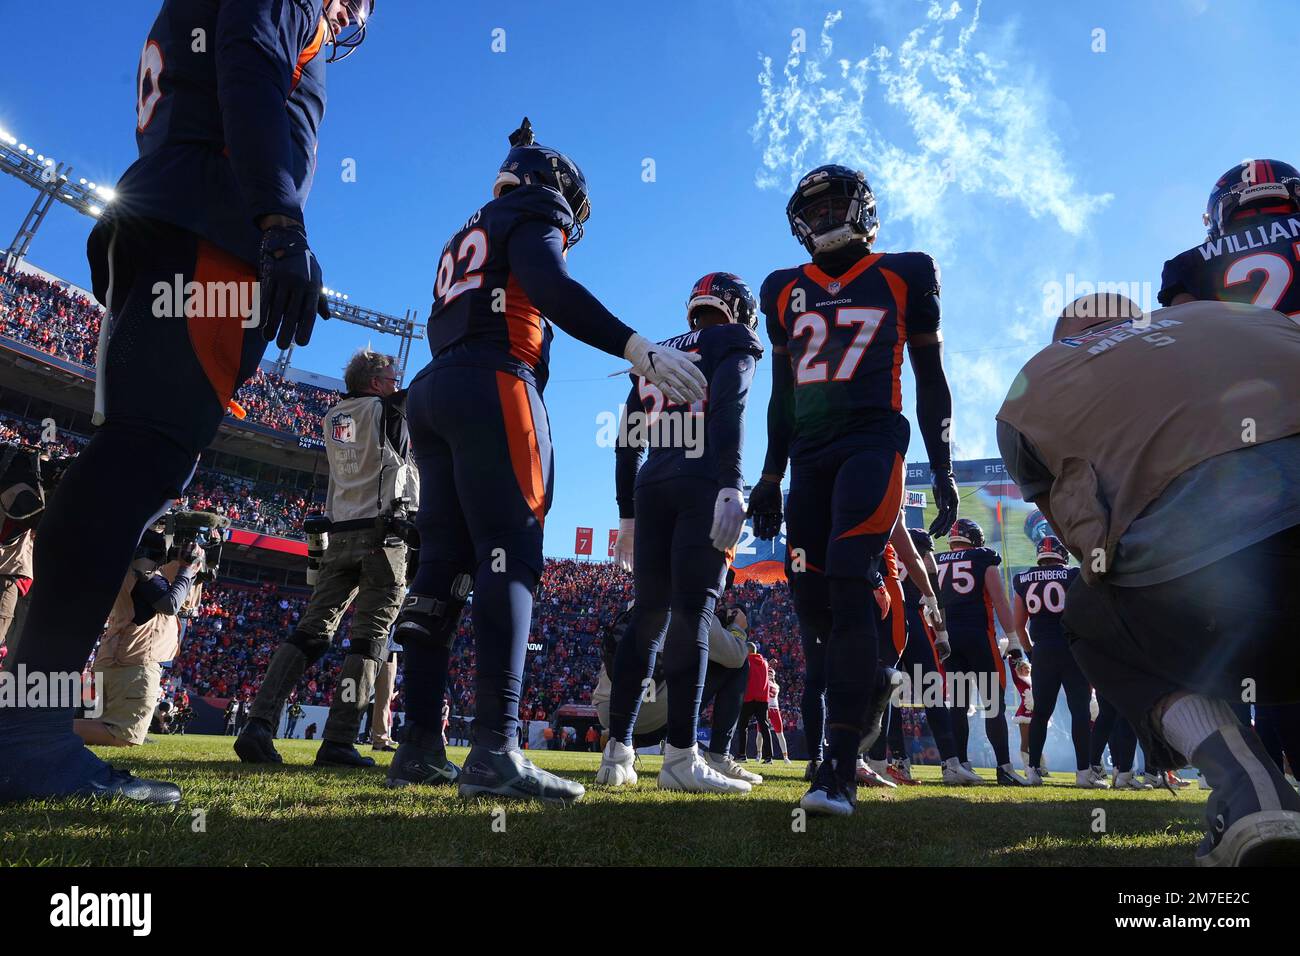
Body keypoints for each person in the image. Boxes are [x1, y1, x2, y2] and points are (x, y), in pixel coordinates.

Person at [0, 0, 374, 805]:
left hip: (169, 214)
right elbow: (250, 68)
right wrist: (278, 218)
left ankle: (24, 730)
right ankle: (26, 741)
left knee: (130, 464)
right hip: (207, 226)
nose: (350, 15)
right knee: (137, 462)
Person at [392, 118, 706, 804]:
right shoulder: (533, 209)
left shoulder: (463, 234)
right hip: (494, 381)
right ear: (554, 186)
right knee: (512, 553)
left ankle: (417, 744)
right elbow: (551, 286)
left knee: (441, 567)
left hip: (434, 389)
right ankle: (494, 749)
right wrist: (635, 346)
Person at [997, 291, 1300, 865]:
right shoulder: (1236, 316)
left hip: (1211, 587)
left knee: (1091, 609)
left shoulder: (1037, 385)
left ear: (1065, 342)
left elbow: (1088, 547)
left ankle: (1250, 791)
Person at [746, 164, 959, 816]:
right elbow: (781, 397)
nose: (822, 216)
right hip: (808, 457)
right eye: (812, 209)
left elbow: (931, 378)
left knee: (847, 572)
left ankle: (835, 767)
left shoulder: (905, 271)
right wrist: (769, 474)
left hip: (872, 441)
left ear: (864, 208)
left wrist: (943, 466)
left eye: (835, 202)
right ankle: (870, 681)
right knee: (812, 599)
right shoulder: (783, 288)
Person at [597, 272, 761, 793]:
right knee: (693, 613)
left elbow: (627, 440)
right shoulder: (731, 339)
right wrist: (732, 483)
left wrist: (626, 513)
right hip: (699, 481)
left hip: (652, 486)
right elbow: (729, 406)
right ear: (735, 307)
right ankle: (680, 758)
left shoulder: (658, 351)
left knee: (649, 617)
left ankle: (616, 753)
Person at [237, 348, 417, 770]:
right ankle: (338, 740)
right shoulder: (388, 409)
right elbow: (429, 391)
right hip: (384, 533)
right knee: (370, 639)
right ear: (375, 383)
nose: (396, 381)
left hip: (339, 535)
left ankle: (258, 724)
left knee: (310, 632)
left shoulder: (332, 416)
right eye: (391, 376)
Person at [592, 600, 757, 785]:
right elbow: (735, 655)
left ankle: (620, 747)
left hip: (609, 710)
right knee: (739, 663)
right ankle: (718, 757)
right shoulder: (694, 605)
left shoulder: (633, 607)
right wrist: (737, 629)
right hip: (655, 716)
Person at [73, 530, 201, 750]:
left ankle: (45, 729)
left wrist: (186, 568)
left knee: (102, 725)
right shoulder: (143, 573)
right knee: (123, 735)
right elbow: (170, 604)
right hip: (134, 660)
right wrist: (187, 570)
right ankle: (42, 729)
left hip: (116, 656)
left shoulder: (120, 571)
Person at [933, 518, 1025, 785]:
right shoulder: (983, 557)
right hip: (978, 638)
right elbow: (999, 600)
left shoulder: (937, 561)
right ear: (975, 538)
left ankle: (958, 766)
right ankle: (1004, 769)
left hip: (949, 639)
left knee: (958, 705)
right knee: (993, 704)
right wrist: (1014, 641)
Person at [898, 525, 980, 786]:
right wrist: (942, 634)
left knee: (887, 695)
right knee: (932, 693)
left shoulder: (886, 547)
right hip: (911, 617)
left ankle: (896, 762)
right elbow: (932, 584)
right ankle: (951, 763)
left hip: (886, 620)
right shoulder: (920, 549)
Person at [1014, 536, 1096, 788]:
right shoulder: (1073, 575)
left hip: (1043, 652)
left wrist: (1030, 652)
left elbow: (1019, 625)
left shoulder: (1024, 579)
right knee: (1080, 713)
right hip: (1072, 649)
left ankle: (1033, 771)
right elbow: (1088, 615)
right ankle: (1084, 773)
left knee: (1040, 713)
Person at [732, 643, 773, 768]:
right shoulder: (765, 663)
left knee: (743, 727)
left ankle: (742, 755)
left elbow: (743, 679)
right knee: (765, 728)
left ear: (747, 651)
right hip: (762, 699)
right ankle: (769, 757)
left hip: (748, 698)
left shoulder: (746, 662)